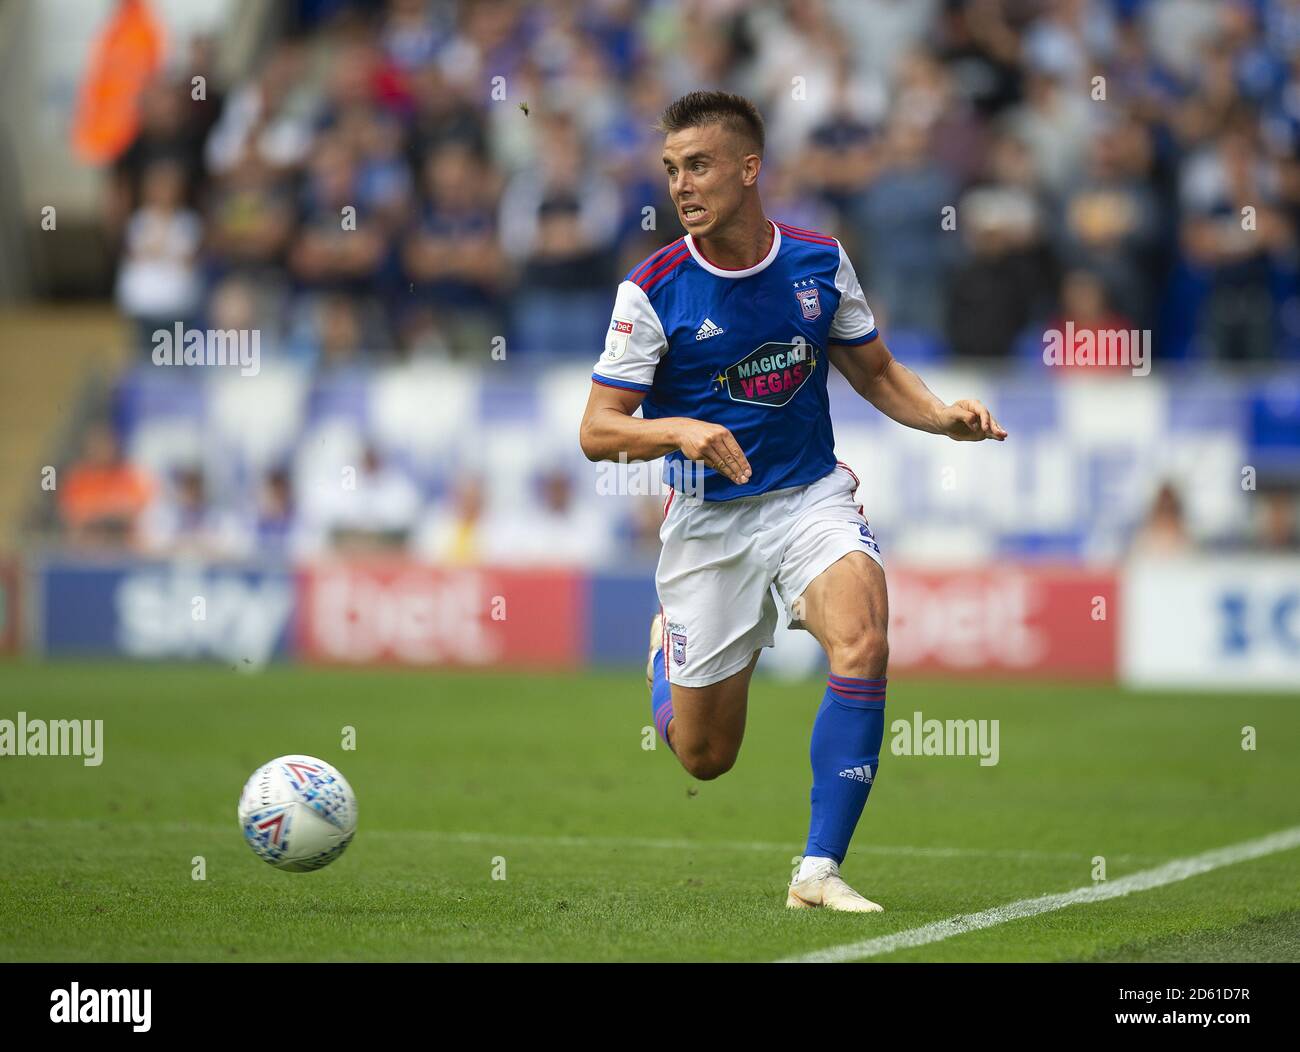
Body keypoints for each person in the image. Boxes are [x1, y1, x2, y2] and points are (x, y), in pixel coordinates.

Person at [578, 92, 1007, 913]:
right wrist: (677, 432)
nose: (682, 185)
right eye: (671, 169)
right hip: (710, 525)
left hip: (811, 496)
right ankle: (666, 655)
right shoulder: (652, 289)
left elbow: (876, 372)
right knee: (707, 756)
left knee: (864, 639)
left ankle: (817, 871)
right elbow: (598, 431)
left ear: (749, 168)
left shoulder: (819, 261)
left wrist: (941, 416)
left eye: (698, 165)